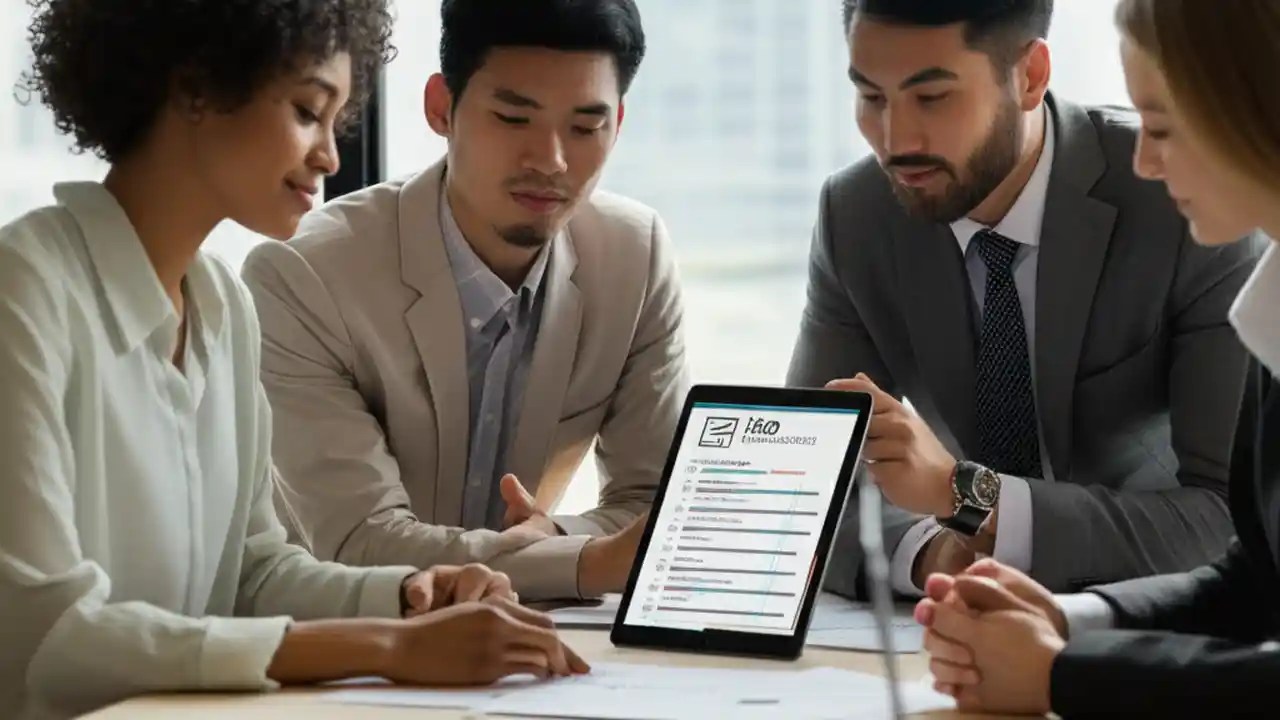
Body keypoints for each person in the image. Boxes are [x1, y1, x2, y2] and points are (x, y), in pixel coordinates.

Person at [0, 3, 587, 718]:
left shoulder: (222, 304)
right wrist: (384, 648)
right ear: (196, 87)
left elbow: (251, 574)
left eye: (337, 122)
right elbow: (46, 637)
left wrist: (409, 598)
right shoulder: (24, 292)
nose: (330, 157)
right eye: (309, 111)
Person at [788, 0, 1263, 599]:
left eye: (932, 98)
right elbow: (795, 485)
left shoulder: (1179, 192)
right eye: (872, 98)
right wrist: (937, 553)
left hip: (1148, 618)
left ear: (1030, 77)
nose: (895, 140)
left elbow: (1233, 520)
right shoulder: (856, 216)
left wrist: (970, 500)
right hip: (951, 630)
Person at [241, 0, 687, 601]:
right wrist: (584, 559)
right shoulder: (304, 275)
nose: (551, 160)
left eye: (585, 128)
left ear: (619, 124)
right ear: (440, 108)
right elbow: (357, 542)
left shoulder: (634, 257)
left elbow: (656, 504)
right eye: (512, 118)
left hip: (523, 637)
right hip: (343, 638)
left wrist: (557, 532)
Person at [915, 0, 1280, 715]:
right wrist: (1068, 619)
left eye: (1165, 127)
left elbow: (1216, 530)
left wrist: (1065, 676)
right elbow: (1257, 582)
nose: (1144, 159)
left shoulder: (1219, 270)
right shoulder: (1272, 311)